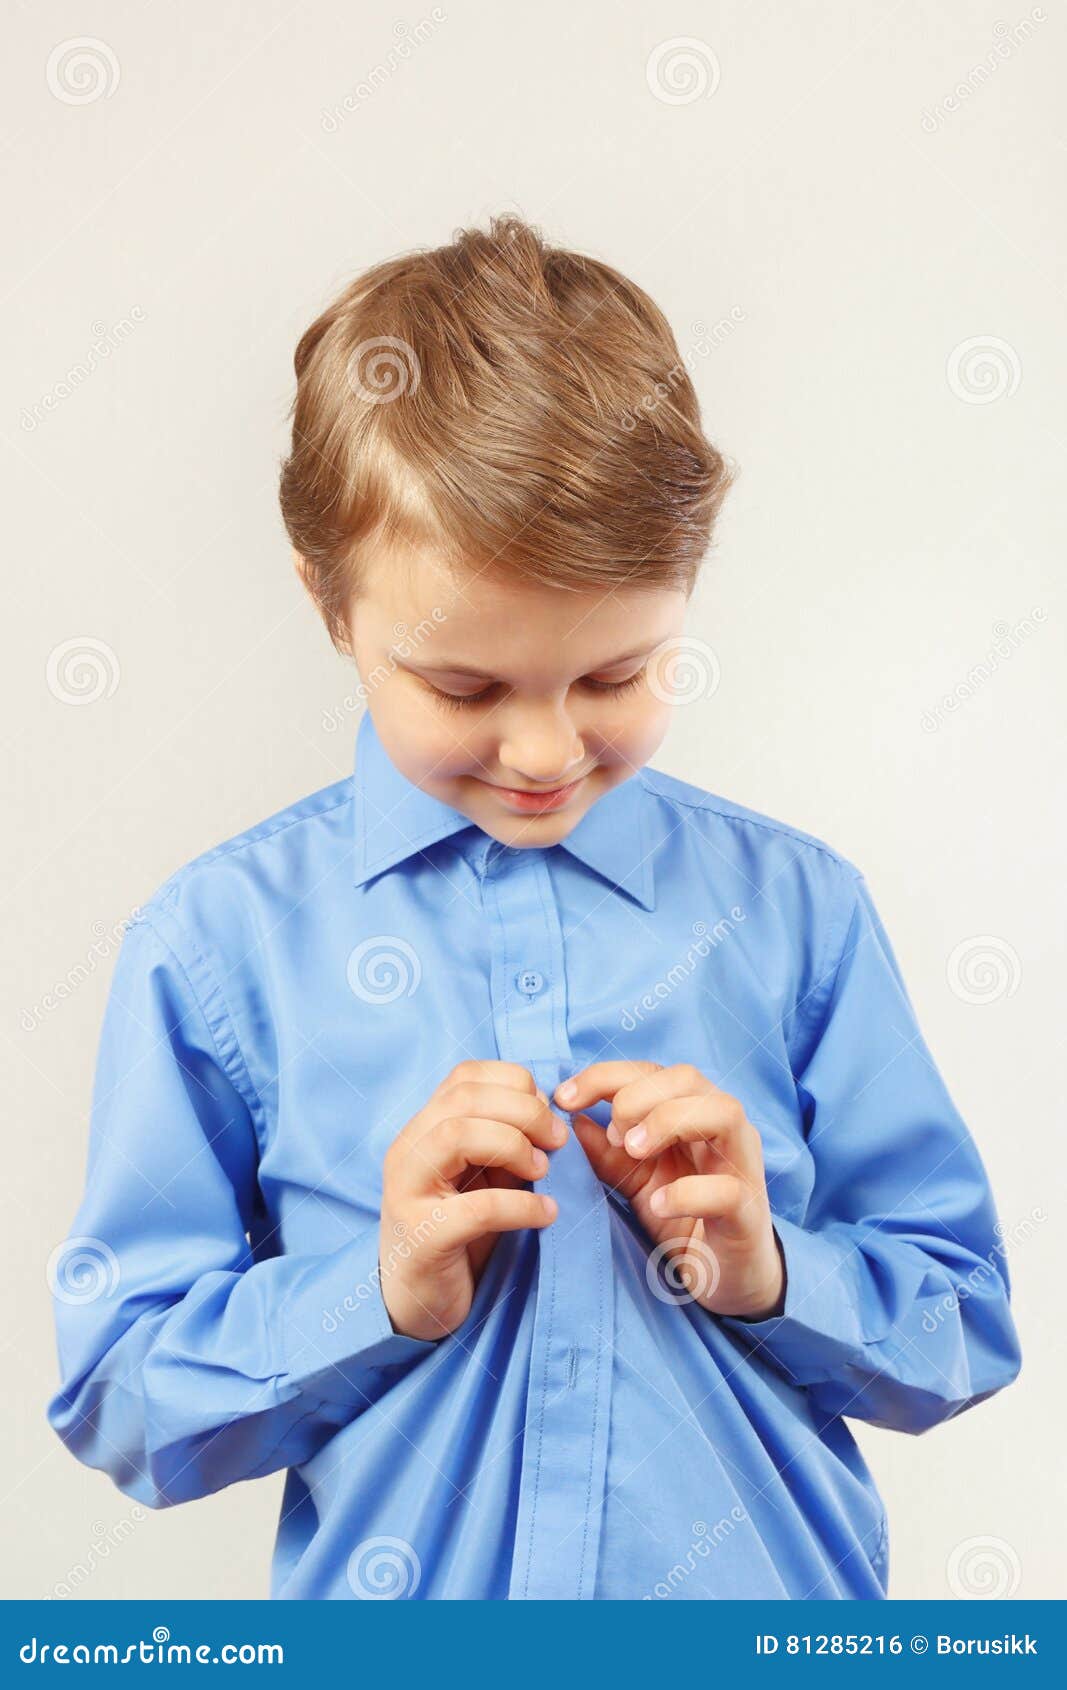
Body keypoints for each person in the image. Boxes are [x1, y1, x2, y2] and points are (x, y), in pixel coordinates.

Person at [46, 214, 1021, 1601]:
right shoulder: (216, 949)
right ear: (329, 602)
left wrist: (768, 1266)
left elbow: (964, 1322)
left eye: (616, 676)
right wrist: (373, 1290)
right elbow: (122, 1394)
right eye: (465, 689)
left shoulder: (799, 914)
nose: (550, 750)